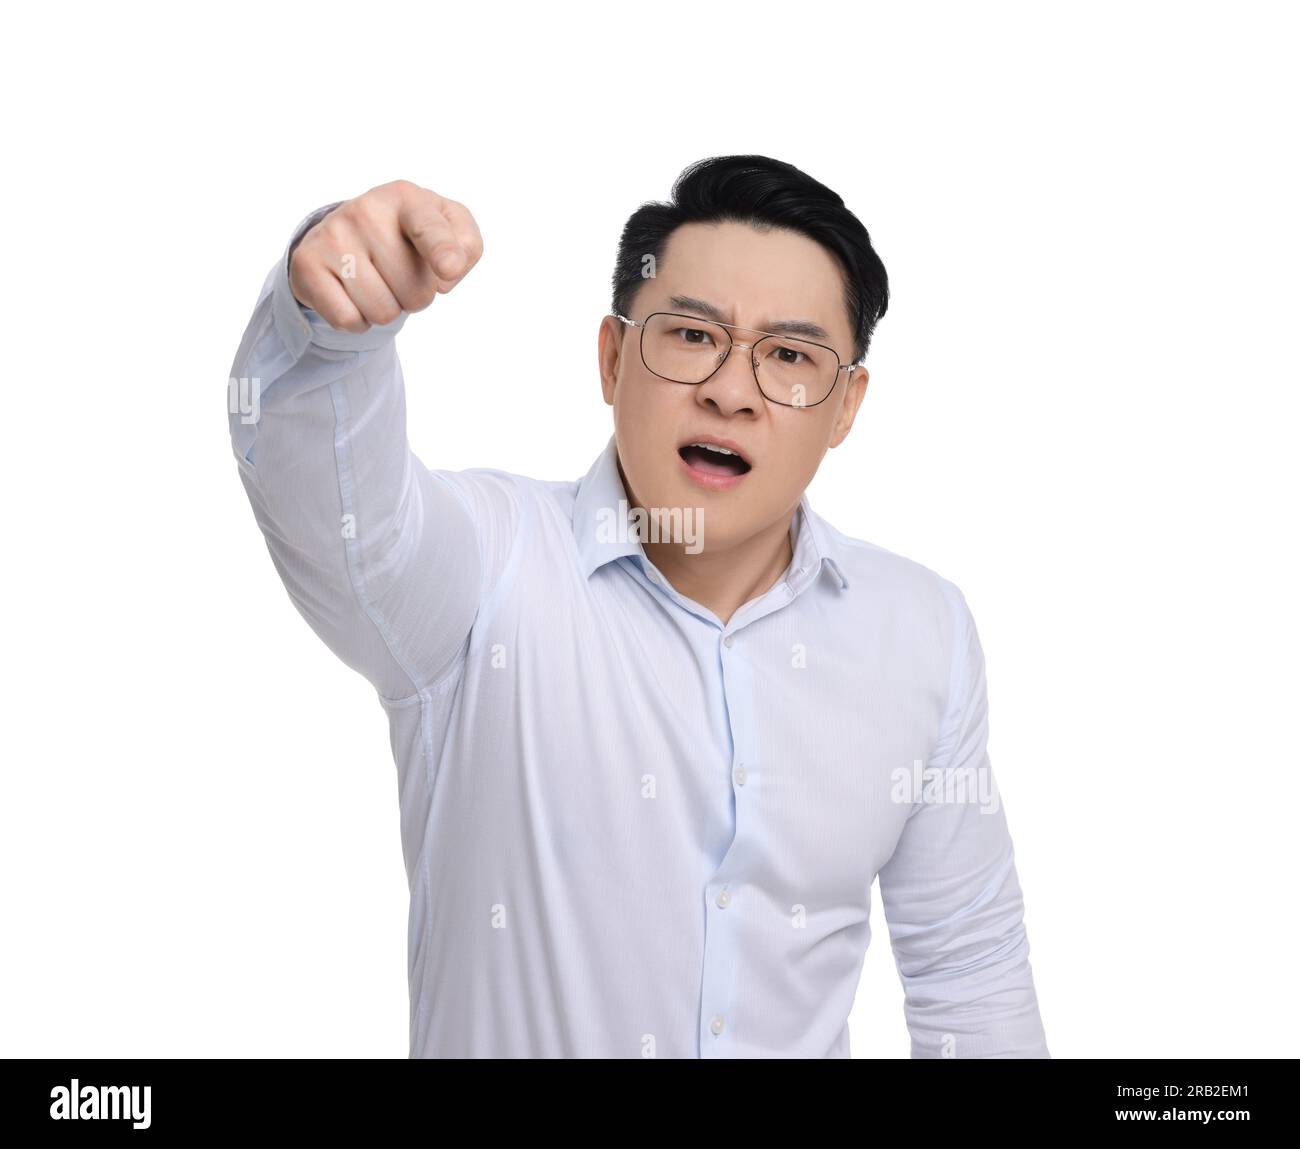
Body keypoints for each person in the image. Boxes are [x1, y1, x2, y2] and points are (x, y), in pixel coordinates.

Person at [226, 155, 1049, 1059]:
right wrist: (332, 330)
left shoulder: (920, 631)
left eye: (789, 356)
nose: (732, 391)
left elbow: (969, 974)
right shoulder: (487, 569)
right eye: (692, 336)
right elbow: (347, 522)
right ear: (613, 358)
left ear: (845, 405)